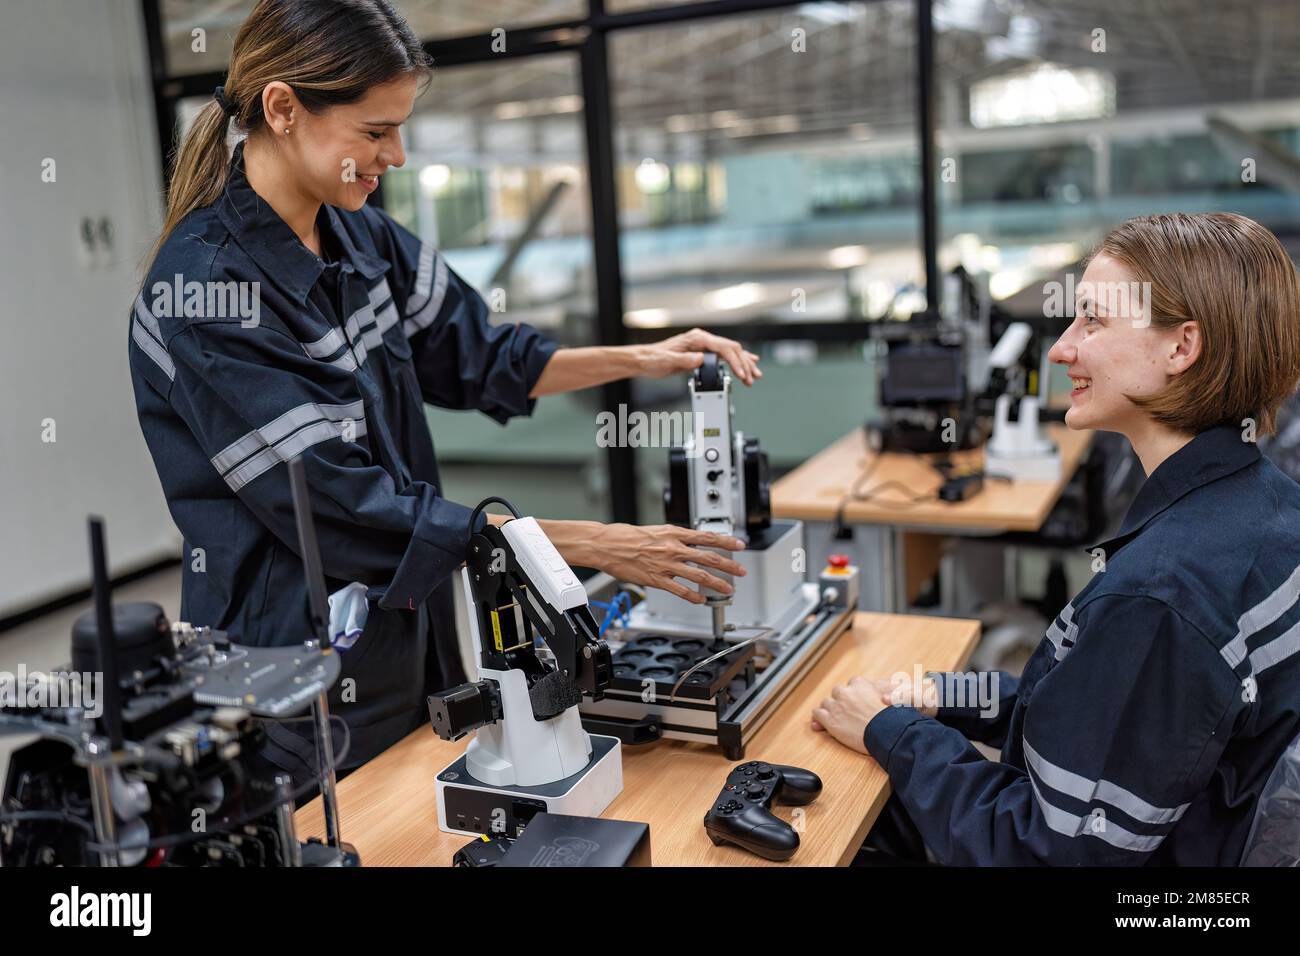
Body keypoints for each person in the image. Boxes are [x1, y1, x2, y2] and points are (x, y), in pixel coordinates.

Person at [129, 0, 760, 781]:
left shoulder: (358, 233)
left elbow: (483, 352)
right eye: (374, 131)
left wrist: (644, 356)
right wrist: (594, 544)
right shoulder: (203, 292)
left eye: (400, 128)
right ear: (283, 108)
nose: (395, 154)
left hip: (410, 636)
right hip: (292, 676)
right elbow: (342, 509)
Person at [812, 212, 1300, 865]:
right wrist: (945, 697)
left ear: (1181, 348)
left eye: (1093, 320)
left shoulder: (1160, 596)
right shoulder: (1266, 504)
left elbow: (1044, 852)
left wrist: (891, 734)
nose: (1061, 348)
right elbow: (1113, 712)